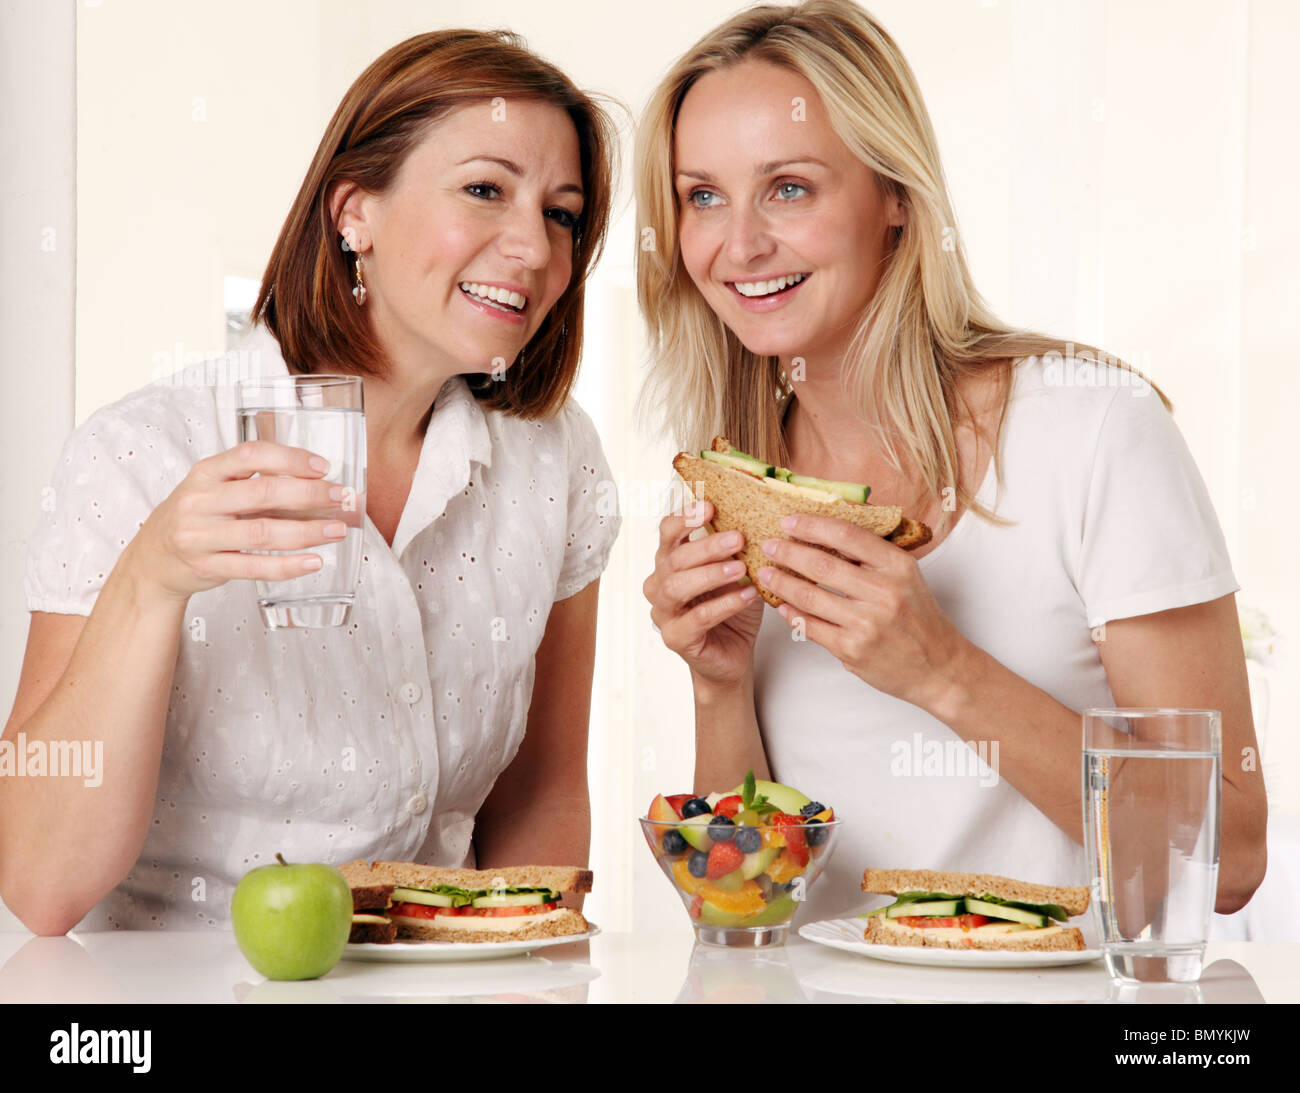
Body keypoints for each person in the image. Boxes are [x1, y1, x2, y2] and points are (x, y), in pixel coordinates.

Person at [637, 0, 1266, 920]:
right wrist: (717, 685)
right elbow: (743, 904)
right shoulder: (738, 484)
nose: (739, 245)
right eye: (703, 196)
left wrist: (942, 670)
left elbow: (1229, 857)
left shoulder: (1091, 428)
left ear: (895, 195)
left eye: (790, 187)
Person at [0, 29, 620, 934]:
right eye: (485, 189)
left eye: (561, 213)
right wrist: (154, 576)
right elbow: (39, 883)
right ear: (353, 213)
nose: (533, 246)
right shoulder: (142, 454)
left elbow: (540, 795)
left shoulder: (554, 460)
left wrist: (540, 981)